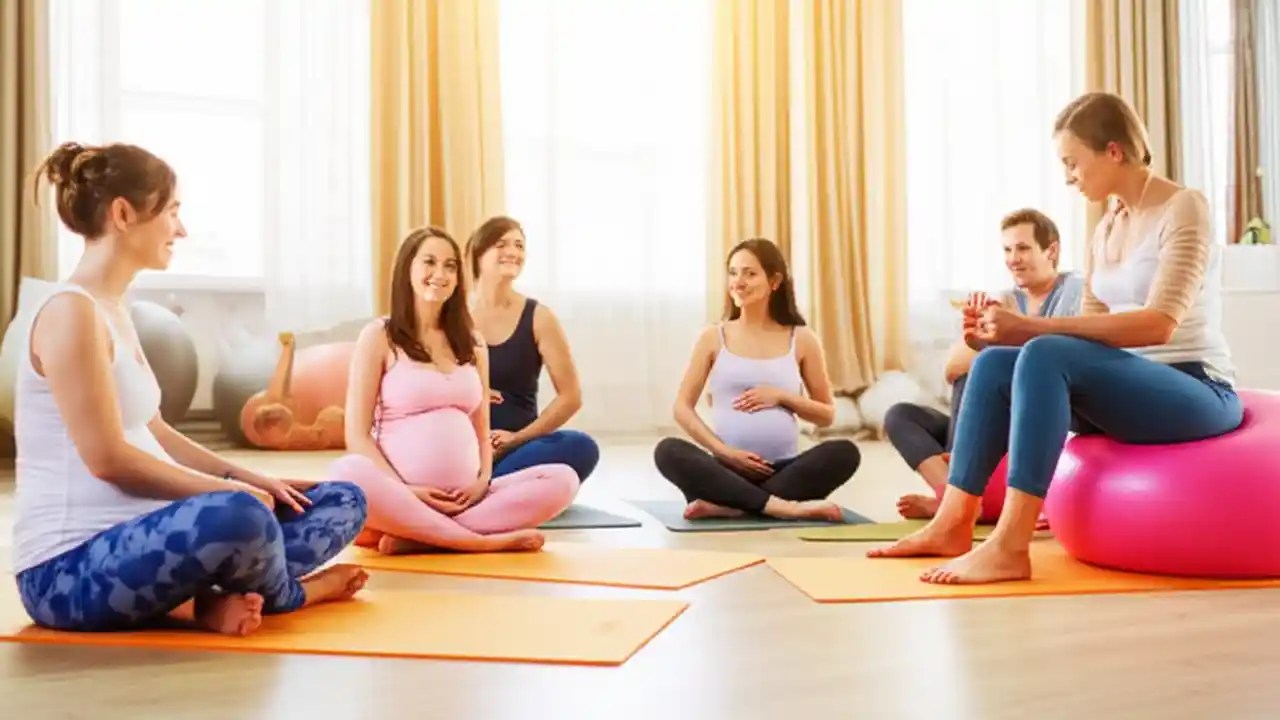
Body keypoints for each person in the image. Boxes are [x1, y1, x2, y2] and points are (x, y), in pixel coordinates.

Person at [869, 92, 1242, 584]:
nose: (1069, 177)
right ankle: (953, 523)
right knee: (995, 363)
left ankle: (1009, 546)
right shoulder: (1106, 227)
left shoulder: (1183, 207)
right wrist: (1000, 337)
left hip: (1195, 386)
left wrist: (1032, 329)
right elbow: (1088, 337)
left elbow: (1159, 324)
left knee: (1041, 348)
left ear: (1113, 151)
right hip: (1130, 385)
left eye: (1073, 163)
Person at [14, 142, 369, 636]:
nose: (181, 229)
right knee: (241, 516)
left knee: (343, 498)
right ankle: (290, 595)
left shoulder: (114, 308)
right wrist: (232, 492)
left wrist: (255, 478)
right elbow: (108, 458)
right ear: (123, 213)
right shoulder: (70, 312)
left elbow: (154, 430)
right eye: (173, 212)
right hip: (68, 573)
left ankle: (204, 603)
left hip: (155, 537)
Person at [330, 226, 579, 555]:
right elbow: (357, 435)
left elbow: (481, 429)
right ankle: (474, 541)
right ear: (408, 269)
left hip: (467, 500)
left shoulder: (473, 342)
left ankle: (422, 537)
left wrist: (483, 480)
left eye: (450, 266)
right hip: (402, 494)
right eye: (429, 263)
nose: (440, 274)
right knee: (346, 471)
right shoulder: (379, 335)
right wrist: (406, 491)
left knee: (563, 480)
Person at [886, 208, 1084, 519]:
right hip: (979, 428)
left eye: (1023, 248)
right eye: (1007, 250)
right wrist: (984, 336)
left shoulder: (1075, 292)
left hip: (1029, 423)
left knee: (986, 365)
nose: (1013, 259)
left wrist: (1003, 339)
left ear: (1052, 250)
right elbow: (951, 370)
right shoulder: (1005, 300)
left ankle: (955, 499)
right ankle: (956, 498)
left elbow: (1069, 356)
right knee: (900, 415)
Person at [654, 238, 862, 522]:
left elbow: (826, 415)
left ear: (774, 281)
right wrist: (725, 453)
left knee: (845, 452)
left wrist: (783, 396)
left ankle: (735, 505)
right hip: (725, 470)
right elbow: (682, 407)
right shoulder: (712, 337)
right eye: (733, 272)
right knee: (668, 451)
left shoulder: (801, 338)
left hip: (784, 471)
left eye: (749, 273)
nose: (738, 281)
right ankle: (784, 507)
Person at [464, 216, 600, 484]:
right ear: (478, 253)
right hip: (462, 445)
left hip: (520, 448)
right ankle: (497, 489)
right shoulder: (452, 316)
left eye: (519, 246)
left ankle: (490, 487)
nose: (513, 252)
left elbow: (570, 397)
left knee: (582, 447)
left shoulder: (540, 317)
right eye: (501, 244)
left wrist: (517, 439)